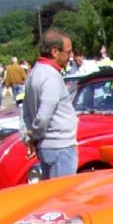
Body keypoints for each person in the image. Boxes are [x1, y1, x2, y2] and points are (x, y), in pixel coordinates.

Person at [22, 29, 79, 180]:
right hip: (59, 146)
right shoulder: (51, 77)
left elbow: (26, 112)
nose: (70, 56)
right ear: (55, 52)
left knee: (54, 196)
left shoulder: (34, 73)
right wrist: (34, 136)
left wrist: (30, 137)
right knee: (62, 198)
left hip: (48, 146)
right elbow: (43, 116)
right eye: (68, 52)